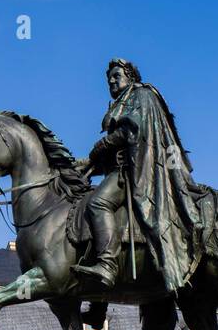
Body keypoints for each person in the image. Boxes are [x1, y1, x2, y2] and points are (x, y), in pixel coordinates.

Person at [72, 58, 208, 291]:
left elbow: (131, 130)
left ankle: (107, 265)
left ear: (130, 76)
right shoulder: (123, 101)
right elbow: (115, 151)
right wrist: (85, 163)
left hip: (137, 174)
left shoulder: (141, 95)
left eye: (117, 76)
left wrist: (103, 143)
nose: (112, 81)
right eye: (109, 79)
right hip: (121, 170)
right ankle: (99, 303)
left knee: (97, 204)